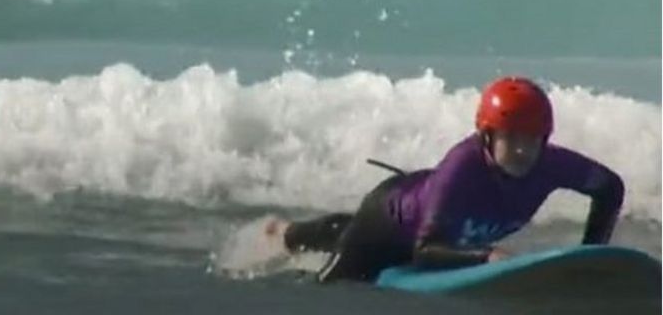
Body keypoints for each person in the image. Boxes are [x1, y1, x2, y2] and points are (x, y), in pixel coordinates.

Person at [268, 76, 625, 283]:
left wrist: (589, 252)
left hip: (428, 209)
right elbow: (424, 251)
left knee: (347, 233)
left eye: (532, 139)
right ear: (487, 136)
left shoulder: (552, 164)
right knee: (331, 286)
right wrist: (486, 258)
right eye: (511, 138)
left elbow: (610, 187)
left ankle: (296, 230)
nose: (522, 150)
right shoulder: (462, 168)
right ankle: (287, 237)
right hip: (387, 222)